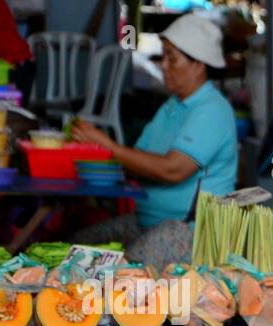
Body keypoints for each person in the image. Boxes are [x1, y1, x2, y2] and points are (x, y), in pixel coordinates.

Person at [70, 12, 236, 269]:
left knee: (120, 273)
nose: (164, 66)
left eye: (172, 59)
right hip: (144, 221)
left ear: (198, 64)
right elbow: (135, 160)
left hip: (189, 233)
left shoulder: (212, 109)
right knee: (76, 250)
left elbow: (173, 169)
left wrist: (109, 146)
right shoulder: (171, 106)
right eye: (163, 56)